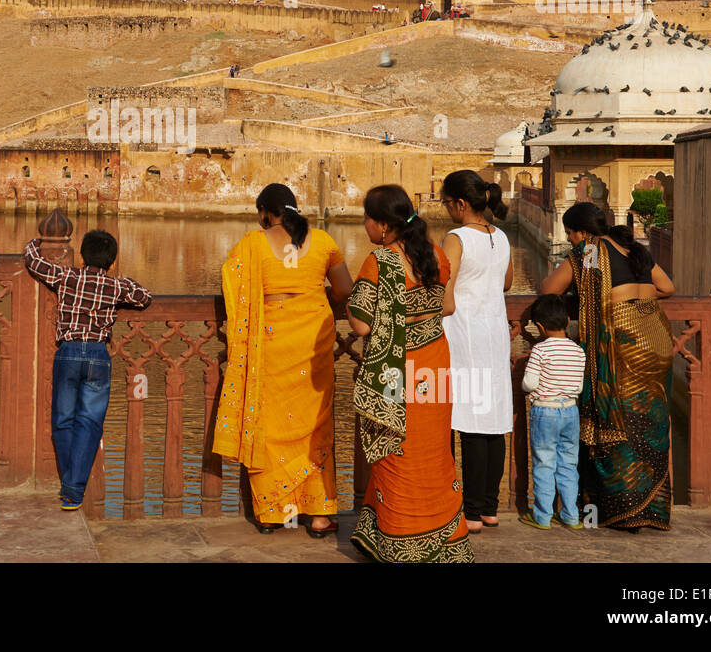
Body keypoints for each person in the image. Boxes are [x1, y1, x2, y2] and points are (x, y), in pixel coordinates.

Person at [213, 184, 353, 537]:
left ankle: (273, 513)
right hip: (314, 341)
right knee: (316, 424)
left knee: (268, 423)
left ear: (264, 212)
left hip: (271, 342)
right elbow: (344, 291)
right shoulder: (323, 241)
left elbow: (231, 281)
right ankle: (319, 515)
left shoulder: (252, 244)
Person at [347, 184, 473, 562]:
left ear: (383, 225)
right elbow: (447, 306)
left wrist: (352, 303)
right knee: (433, 453)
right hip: (434, 362)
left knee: (398, 451)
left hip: (398, 371)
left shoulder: (380, 261)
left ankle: (402, 540)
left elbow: (361, 327)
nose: (365, 226)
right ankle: (447, 540)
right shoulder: (435, 253)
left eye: (367, 219)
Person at [537, 201, 675, 531]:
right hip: (655, 338)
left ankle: (621, 510)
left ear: (582, 232)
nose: (570, 239)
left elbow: (549, 290)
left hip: (623, 341)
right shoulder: (630, 244)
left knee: (618, 421)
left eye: (570, 234)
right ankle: (653, 510)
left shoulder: (589, 251)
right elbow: (668, 288)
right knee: (651, 424)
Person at [24, 226, 152, 511]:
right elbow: (144, 297)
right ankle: (74, 491)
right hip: (97, 354)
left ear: (81, 257)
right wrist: (123, 280)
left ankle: (69, 484)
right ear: (112, 260)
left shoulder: (67, 276)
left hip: (68, 352)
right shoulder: (116, 286)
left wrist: (34, 243)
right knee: (90, 423)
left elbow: (34, 263)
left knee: (63, 420)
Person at [440, 170, 513, 534]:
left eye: (447, 203)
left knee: (469, 423)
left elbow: (445, 289)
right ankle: (489, 507)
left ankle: (469, 513)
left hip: (464, 334)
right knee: (492, 423)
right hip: (495, 333)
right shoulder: (500, 236)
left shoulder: (457, 238)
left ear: (461, 204)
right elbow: (508, 282)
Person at [519, 294, 585, 530]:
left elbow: (529, 384)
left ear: (539, 326)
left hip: (545, 412)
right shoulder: (578, 351)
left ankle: (543, 516)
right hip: (570, 411)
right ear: (568, 322)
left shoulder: (540, 351)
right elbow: (578, 387)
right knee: (568, 464)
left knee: (544, 463)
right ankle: (570, 515)